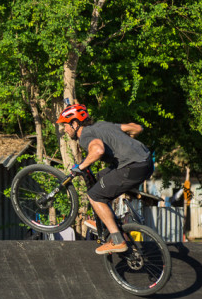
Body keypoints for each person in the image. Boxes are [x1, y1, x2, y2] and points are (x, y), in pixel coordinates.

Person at [56, 103, 154, 255]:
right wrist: (124, 143)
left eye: (65, 125)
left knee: (94, 196)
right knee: (100, 177)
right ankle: (103, 222)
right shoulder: (103, 125)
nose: (65, 130)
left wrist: (80, 167)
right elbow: (136, 128)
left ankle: (117, 239)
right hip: (146, 161)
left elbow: (98, 150)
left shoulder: (85, 136)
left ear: (75, 124)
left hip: (132, 166)